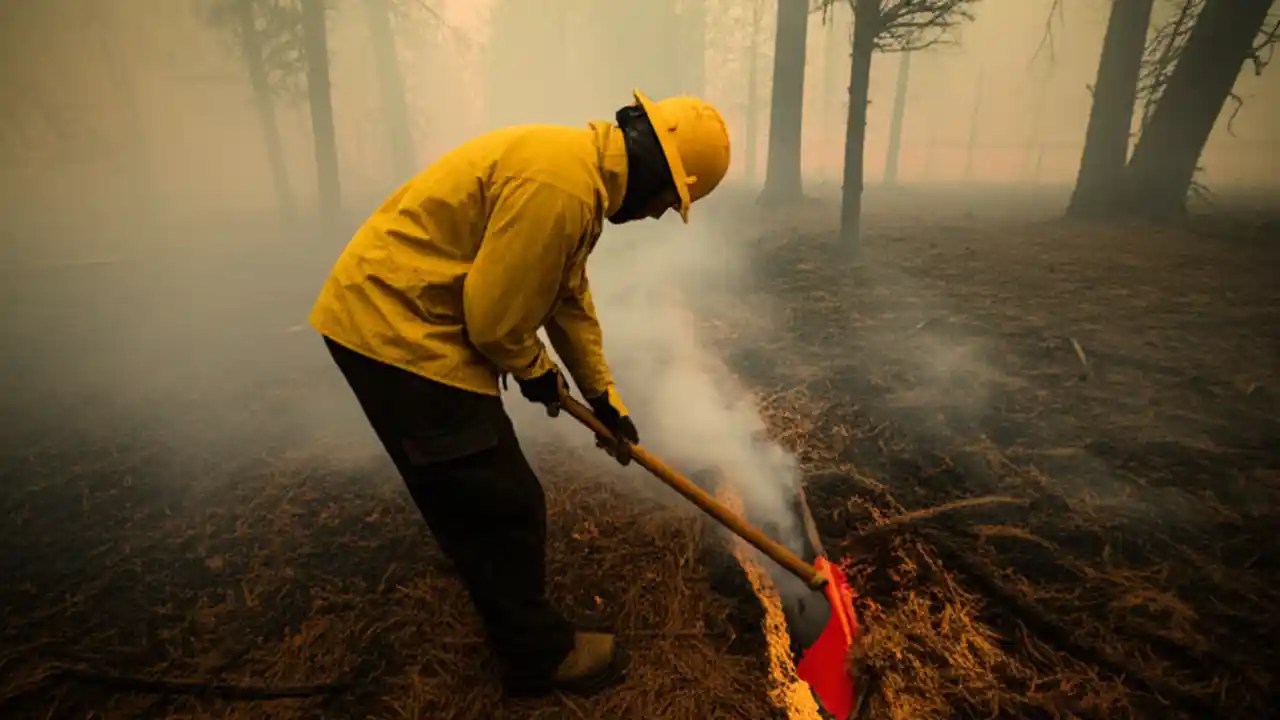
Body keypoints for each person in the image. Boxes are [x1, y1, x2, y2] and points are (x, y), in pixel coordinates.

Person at [307, 90, 731, 697]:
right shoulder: (562, 189)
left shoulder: (575, 173)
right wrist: (538, 374)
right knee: (507, 502)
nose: (662, 213)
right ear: (656, 168)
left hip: (386, 316)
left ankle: (484, 572)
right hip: (397, 331)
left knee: (463, 483)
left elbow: (567, 296)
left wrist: (603, 394)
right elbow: (493, 322)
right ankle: (537, 655)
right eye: (670, 200)